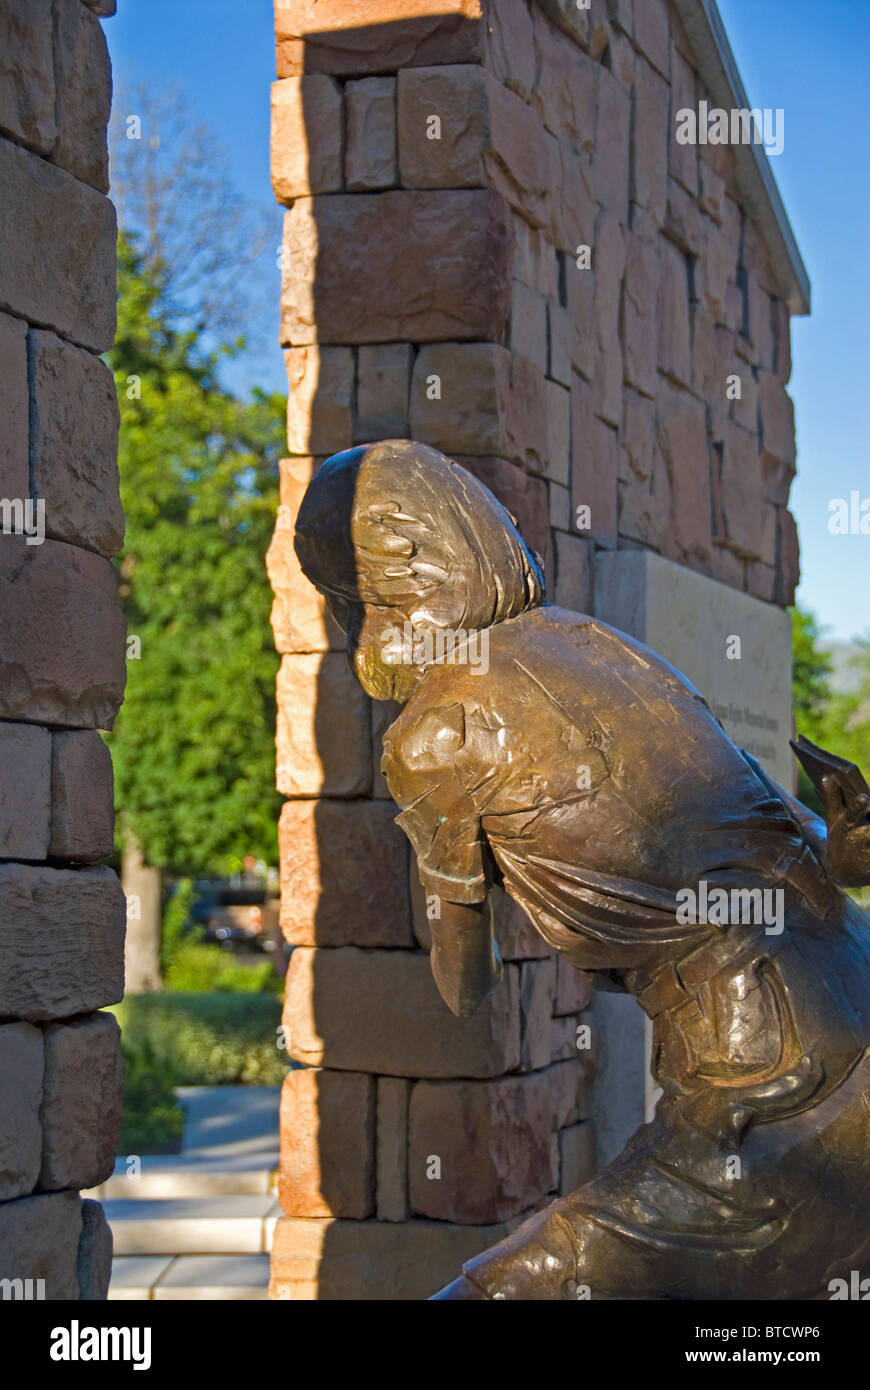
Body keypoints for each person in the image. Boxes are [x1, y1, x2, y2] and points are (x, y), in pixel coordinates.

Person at [295, 439, 870, 1301]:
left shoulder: (432, 738)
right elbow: (773, 831)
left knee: (512, 1290)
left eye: (342, 597)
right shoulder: (597, 645)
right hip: (848, 975)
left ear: (374, 588)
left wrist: (458, 882)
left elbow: (467, 988)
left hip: (766, 1078)